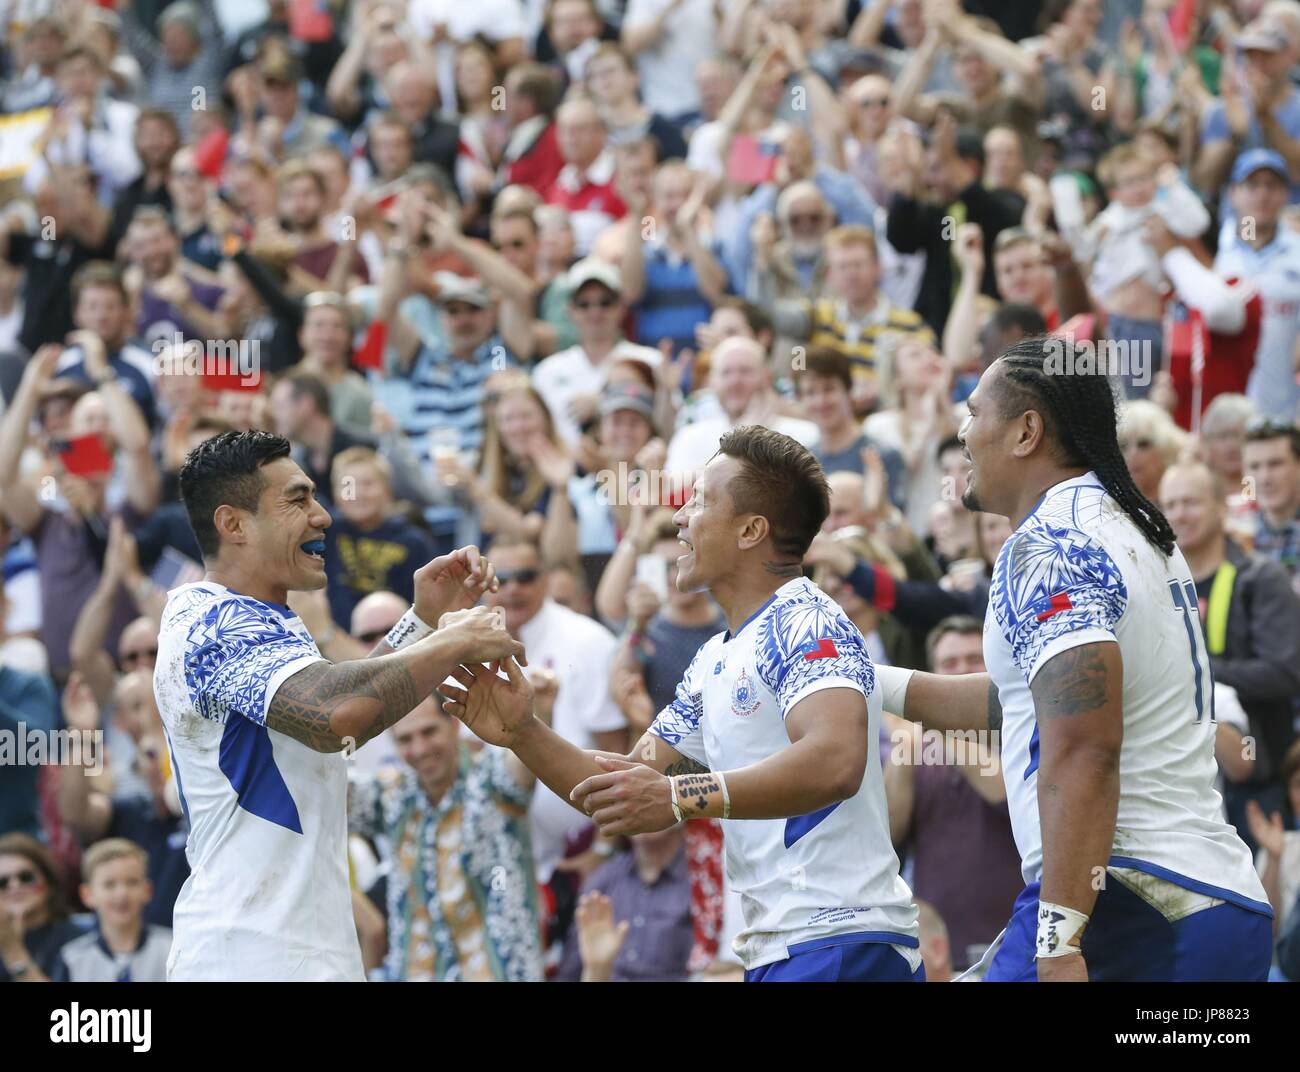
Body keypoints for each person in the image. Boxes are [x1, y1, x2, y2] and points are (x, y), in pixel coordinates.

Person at [443, 425, 921, 981]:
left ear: (751, 530)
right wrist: (525, 732)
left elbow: (836, 762)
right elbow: (621, 792)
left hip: (841, 941)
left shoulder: (807, 619)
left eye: (698, 501)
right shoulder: (714, 657)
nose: (678, 518)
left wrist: (680, 794)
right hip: (782, 949)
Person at [873, 336, 1273, 981]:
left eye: (975, 413)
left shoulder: (1050, 546)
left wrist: (1058, 940)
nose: (963, 430)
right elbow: (1031, 704)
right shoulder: (1126, 525)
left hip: (1135, 908)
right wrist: (868, 682)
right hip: (1210, 906)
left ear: (1028, 430)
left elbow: (1086, 744)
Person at [156, 430, 524, 980]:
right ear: (233, 524)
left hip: (295, 949)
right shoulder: (214, 622)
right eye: (298, 500)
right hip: (250, 956)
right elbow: (336, 715)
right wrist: (456, 640)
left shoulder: (262, 621)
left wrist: (424, 621)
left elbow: (346, 711)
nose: (323, 516)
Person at [347, 697, 544, 981]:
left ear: (453, 724)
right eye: (405, 739)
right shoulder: (393, 795)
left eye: (429, 732)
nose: (419, 749)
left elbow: (530, 757)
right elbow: (327, 791)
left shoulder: (492, 778)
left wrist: (537, 712)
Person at [52, 839, 172, 982]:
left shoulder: (172, 948)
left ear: (147, 890)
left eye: (132, 882)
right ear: (87, 894)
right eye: (109, 884)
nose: (122, 893)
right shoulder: (73, 958)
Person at [0, 833, 86, 983]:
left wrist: (13, 951)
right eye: (3, 882)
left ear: (48, 882)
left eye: (26, 877)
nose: (15, 886)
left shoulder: (78, 941)